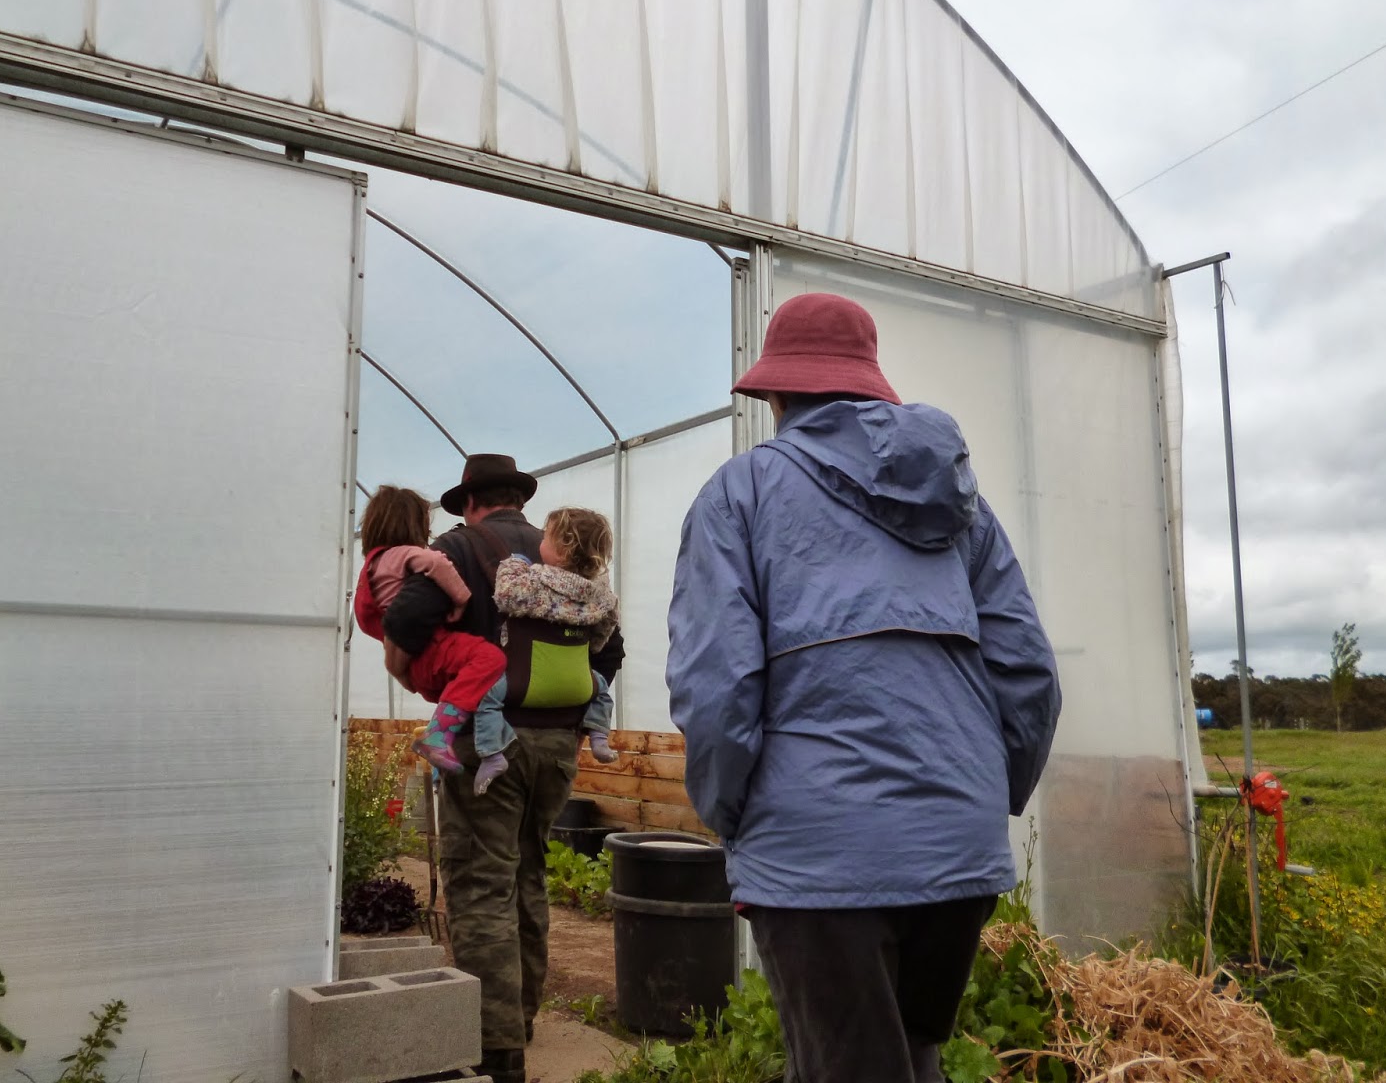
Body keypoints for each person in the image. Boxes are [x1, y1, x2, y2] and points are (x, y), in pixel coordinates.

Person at [666, 293, 1062, 1083]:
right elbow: (1029, 676)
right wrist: (977, 798)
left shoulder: (739, 494)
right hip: (958, 847)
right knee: (914, 1060)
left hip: (818, 857)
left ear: (776, 394)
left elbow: (718, 689)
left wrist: (735, 814)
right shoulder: (965, 509)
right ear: (870, 386)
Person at [382, 455, 625, 1083]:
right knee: (530, 873)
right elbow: (613, 649)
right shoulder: (569, 557)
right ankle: (521, 1018)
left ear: (469, 502)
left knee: (482, 880)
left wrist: (415, 669)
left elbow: (405, 620)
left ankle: (495, 1047)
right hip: (557, 746)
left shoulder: (459, 549)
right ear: (517, 499)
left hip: (487, 741)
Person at [420, 505, 623, 795]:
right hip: (577, 687)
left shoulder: (536, 582)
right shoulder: (600, 594)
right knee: (600, 689)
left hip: (524, 681)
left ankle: (492, 753)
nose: (539, 541)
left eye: (546, 537)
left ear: (563, 551)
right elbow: (604, 638)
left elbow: (505, 595)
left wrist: (514, 562)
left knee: (482, 694)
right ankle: (599, 735)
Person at [352, 485, 508, 732]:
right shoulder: (405, 555)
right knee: (490, 659)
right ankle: (439, 736)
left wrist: (402, 672)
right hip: (431, 651)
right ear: (413, 524)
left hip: (415, 666)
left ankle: (449, 748)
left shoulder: (371, 568)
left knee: (463, 693)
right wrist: (461, 599)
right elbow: (438, 563)